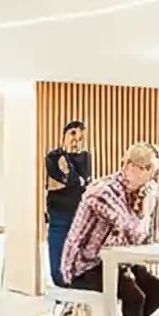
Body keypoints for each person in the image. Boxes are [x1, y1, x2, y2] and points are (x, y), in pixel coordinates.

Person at [61, 142, 159, 316]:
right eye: (147, 169)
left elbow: (140, 241)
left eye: (152, 171)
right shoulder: (104, 192)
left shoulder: (133, 193)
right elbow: (132, 231)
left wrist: (143, 206)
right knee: (135, 296)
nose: (150, 177)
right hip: (84, 266)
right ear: (130, 166)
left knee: (158, 290)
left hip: (115, 261)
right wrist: (147, 209)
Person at [44, 120, 91, 288]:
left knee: (78, 262)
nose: (76, 140)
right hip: (58, 215)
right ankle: (62, 295)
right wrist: (74, 179)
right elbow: (65, 181)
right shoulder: (53, 157)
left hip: (79, 216)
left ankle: (72, 296)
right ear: (63, 135)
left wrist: (70, 175)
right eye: (72, 134)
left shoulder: (85, 157)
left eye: (80, 137)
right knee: (57, 265)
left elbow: (79, 181)